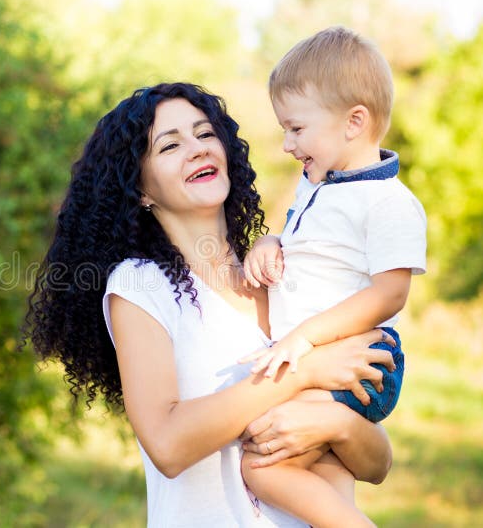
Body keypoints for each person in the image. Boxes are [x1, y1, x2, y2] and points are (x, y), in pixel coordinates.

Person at [22, 82, 398, 527]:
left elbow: (376, 465)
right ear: (141, 190)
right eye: (170, 145)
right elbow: (168, 445)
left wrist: (339, 426)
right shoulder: (141, 286)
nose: (197, 150)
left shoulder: (286, 270)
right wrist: (306, 371)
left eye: (204, 134)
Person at [238, 27, 427, 527]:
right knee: (327, 475)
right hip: (322, 358)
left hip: (357, 359)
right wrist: (269, 243)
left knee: (262, 462)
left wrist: (304, 338)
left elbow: (391, 293)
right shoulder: (316, 185)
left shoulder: (387, 202)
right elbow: (305, 250)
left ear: (353, 123)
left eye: (296, 129)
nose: (285, 144)